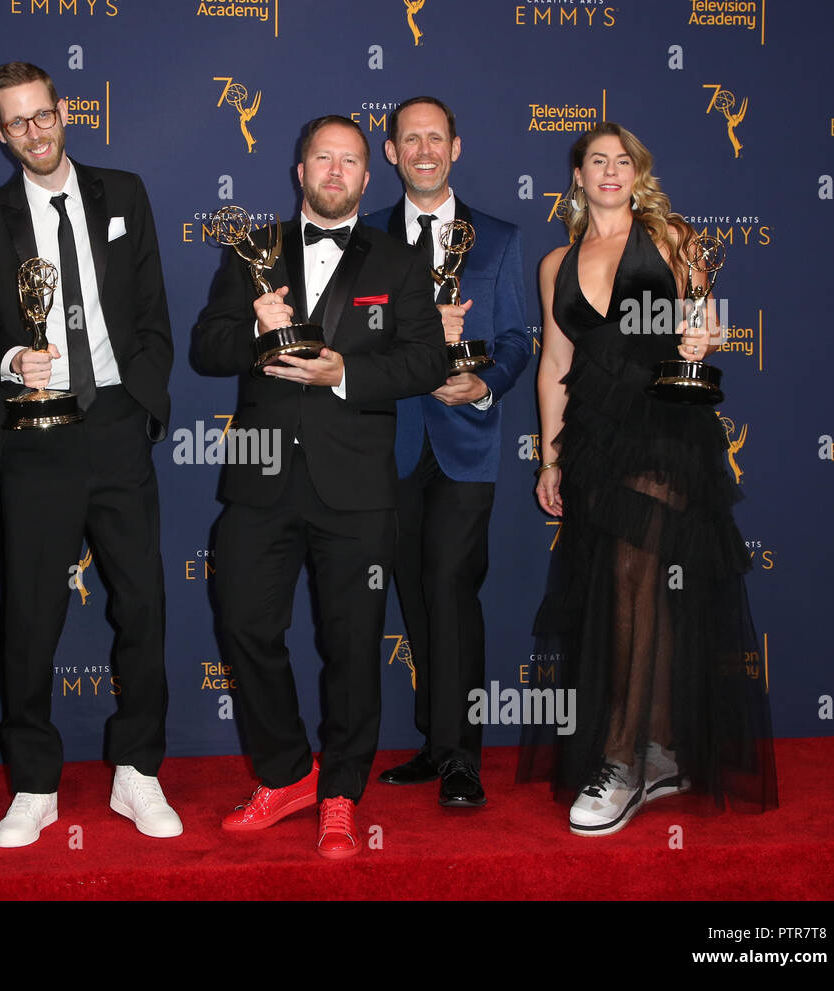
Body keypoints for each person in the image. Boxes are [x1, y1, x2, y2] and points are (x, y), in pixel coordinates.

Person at [193, 115, 448, 859]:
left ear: (370, 179)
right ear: (299, 170)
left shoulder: (400, 260)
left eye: (351, 162)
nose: (336, 173)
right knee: (243, 623)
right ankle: (285, 773)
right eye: (322, 159)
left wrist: (348, 375)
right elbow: (206, 349)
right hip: (261, 478)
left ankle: (340, 790)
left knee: (353, 646)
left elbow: (426, 362)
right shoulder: (254, 251)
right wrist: (250, 324)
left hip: (359, 489)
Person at [520, 121, 777, 835]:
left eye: (622, 160)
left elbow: (706, 323)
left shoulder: (673, 239)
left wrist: (705, 335)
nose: (609, 170)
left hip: (665, 427)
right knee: (626, 587)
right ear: (576, 174)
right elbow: (554, 366)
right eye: (596, 160)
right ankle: (661, 749)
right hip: (595, 439)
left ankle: (621, 760)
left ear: (639, 172)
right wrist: (550, 457)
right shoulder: (555, 263)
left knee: (639, 577)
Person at [0, 62, 179, 848]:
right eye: (16, 122)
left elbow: (154, 309)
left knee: (143, 604)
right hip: (34, 432)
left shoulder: (123, 193)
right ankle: (32, 782)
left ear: (64, 111)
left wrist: (145, 401)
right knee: (30, 614)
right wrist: (12, 360)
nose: (35, 131)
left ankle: (137, 771)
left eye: (43, 115)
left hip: (117, 420)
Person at [364, 96, 532, 807]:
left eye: (437, 137)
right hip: (390, 441)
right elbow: (351, 333)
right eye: (411, 139)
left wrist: (485, 382)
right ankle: (434, 744)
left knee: (451, 589)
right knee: (415, 593)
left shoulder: (498, 237)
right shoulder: (365, 237)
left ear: (455, 149)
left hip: (467, 440)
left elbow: (520, 339)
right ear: (393, 153)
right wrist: (410, 330)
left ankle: (464, 756)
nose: (425, 149)